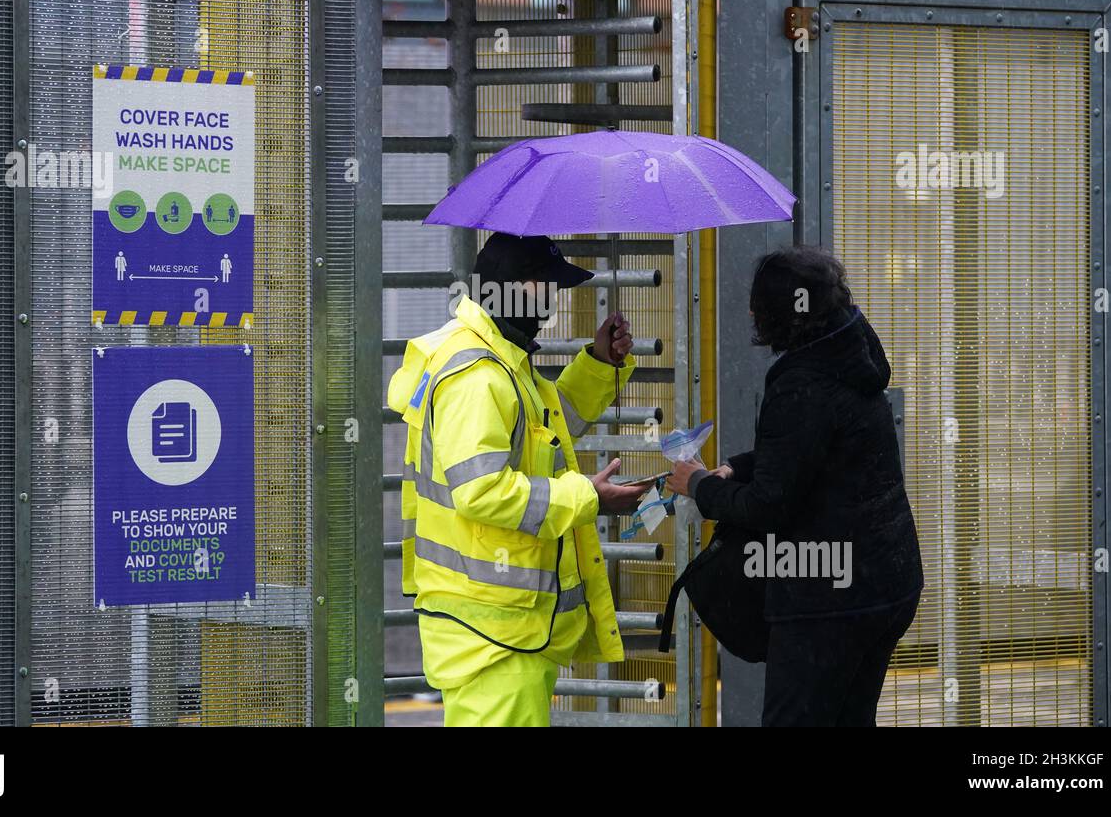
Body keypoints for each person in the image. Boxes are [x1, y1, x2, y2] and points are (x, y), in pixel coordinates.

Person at [388, 232, 651, 726]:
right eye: (548, 288)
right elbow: (481, 491)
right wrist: (586, 496)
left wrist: (597, 365)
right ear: (515, 291)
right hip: (493, 630)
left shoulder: (500, 359)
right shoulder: (477, 376)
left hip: (503, 624)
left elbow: (541, 434)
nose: (555, 302)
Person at [667, 246, 924, 726]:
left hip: (829, 597)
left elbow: (770, 505)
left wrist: (698, 484)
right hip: (887, 584)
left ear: (786, 315)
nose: (750, 312)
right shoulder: (848, 358)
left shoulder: (801, 384)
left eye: (760, 305)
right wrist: (737, 469)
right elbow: (815, 455)